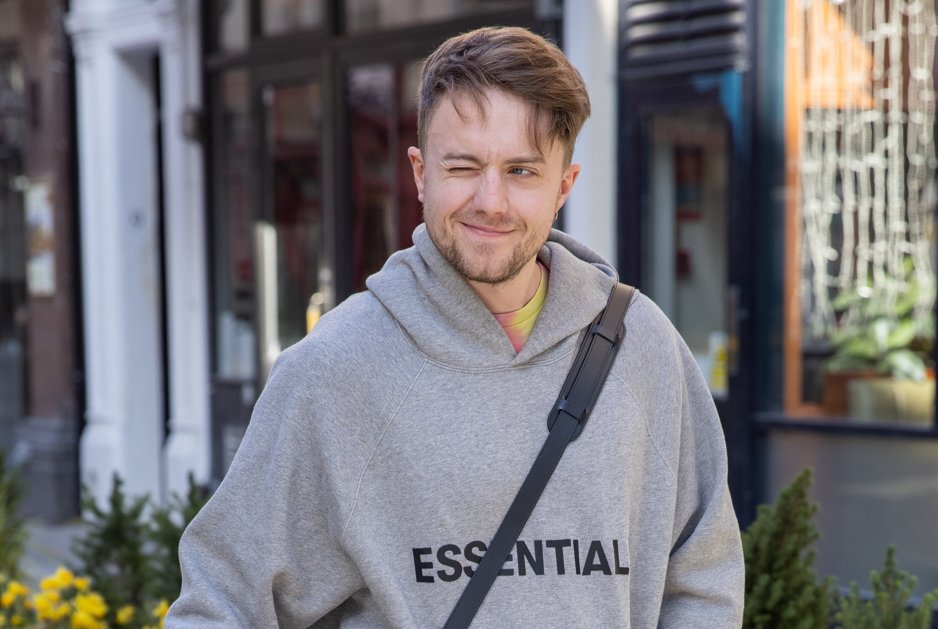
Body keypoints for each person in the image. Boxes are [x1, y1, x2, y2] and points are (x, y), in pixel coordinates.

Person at [166, 26, 744, 628]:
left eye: (522, 171)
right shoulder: (334, 371)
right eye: (464, 166)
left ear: (563, 186)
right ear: (420, 174)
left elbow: (702, 576)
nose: (490, 201)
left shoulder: (643, 348)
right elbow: (220, 605)